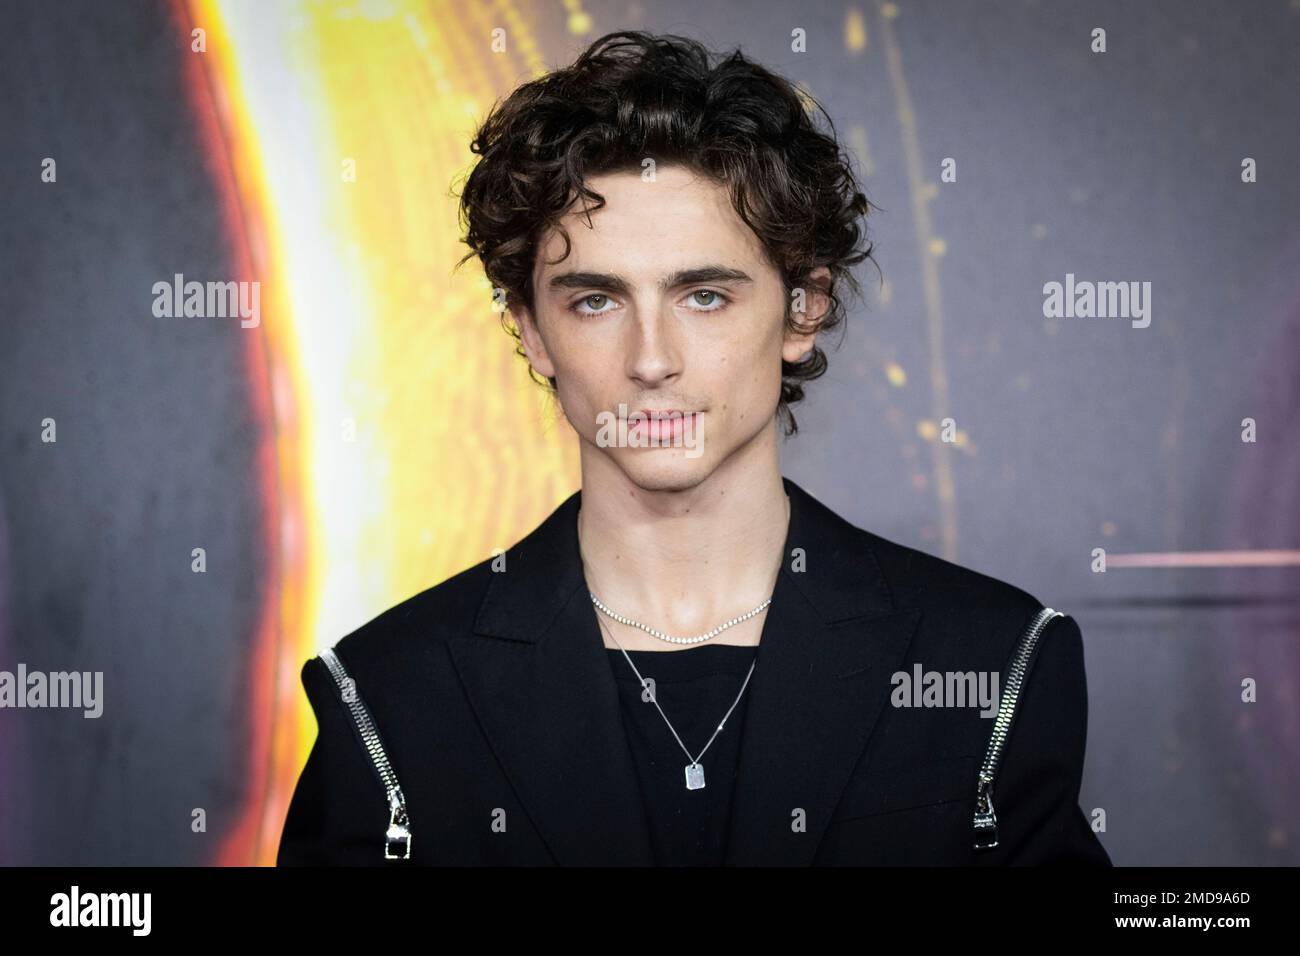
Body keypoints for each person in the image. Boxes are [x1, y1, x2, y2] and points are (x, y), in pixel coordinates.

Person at [277, 30, 1110, 866]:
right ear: (531, 331)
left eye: (704, 295)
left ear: (803, 309)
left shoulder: (991, 662)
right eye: (596, 301)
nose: (651, 359)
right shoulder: (389, 695)